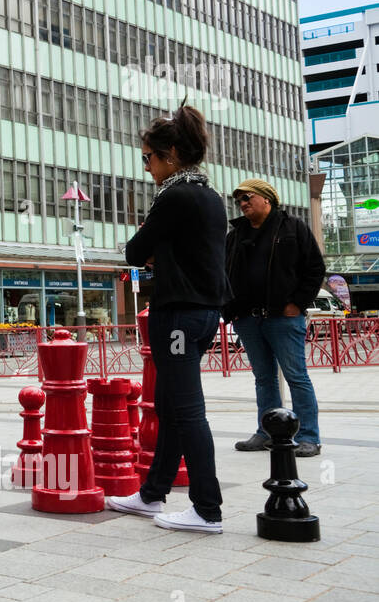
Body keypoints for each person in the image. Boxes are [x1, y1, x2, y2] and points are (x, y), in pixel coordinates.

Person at [109, 104, 231, 534]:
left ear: (172, 154)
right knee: (170, 405)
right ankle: (152, 493)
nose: (146, 168)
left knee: (187, 410)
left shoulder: (175, 196)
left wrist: (154, 249)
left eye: (149, 158)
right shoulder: (210, 195)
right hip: (203, 312)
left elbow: (134, 251)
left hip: (179, 313)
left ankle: (207, 508)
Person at [225, 179, 326, 457]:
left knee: (296, 376)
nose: (243, 203)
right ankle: (267, 431)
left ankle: (309, 436)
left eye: (247, 197)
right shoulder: (235, 235)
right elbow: (224, 273)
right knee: (263, 378)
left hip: (283, 316)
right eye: (239, 200)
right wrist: (230, 308)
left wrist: (297, 303)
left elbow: (315, 269)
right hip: (247, 318)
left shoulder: (293, 228)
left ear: (267, 199)